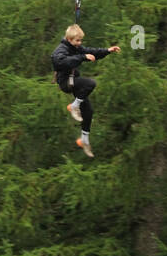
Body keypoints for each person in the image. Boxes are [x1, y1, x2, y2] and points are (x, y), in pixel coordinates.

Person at [51, 24, 120, 157]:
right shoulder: (61, 50)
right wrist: (82, 57)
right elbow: (60, 62)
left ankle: (84, 139)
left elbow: (91, 51)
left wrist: (107, 50)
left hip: (74, 81)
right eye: (77, 40)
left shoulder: (75, 47)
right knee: (90, 83)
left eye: (80, 40)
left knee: (88, 111)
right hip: (66, 82)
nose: (80, 43)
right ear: (69, 39)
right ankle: (74, 106)